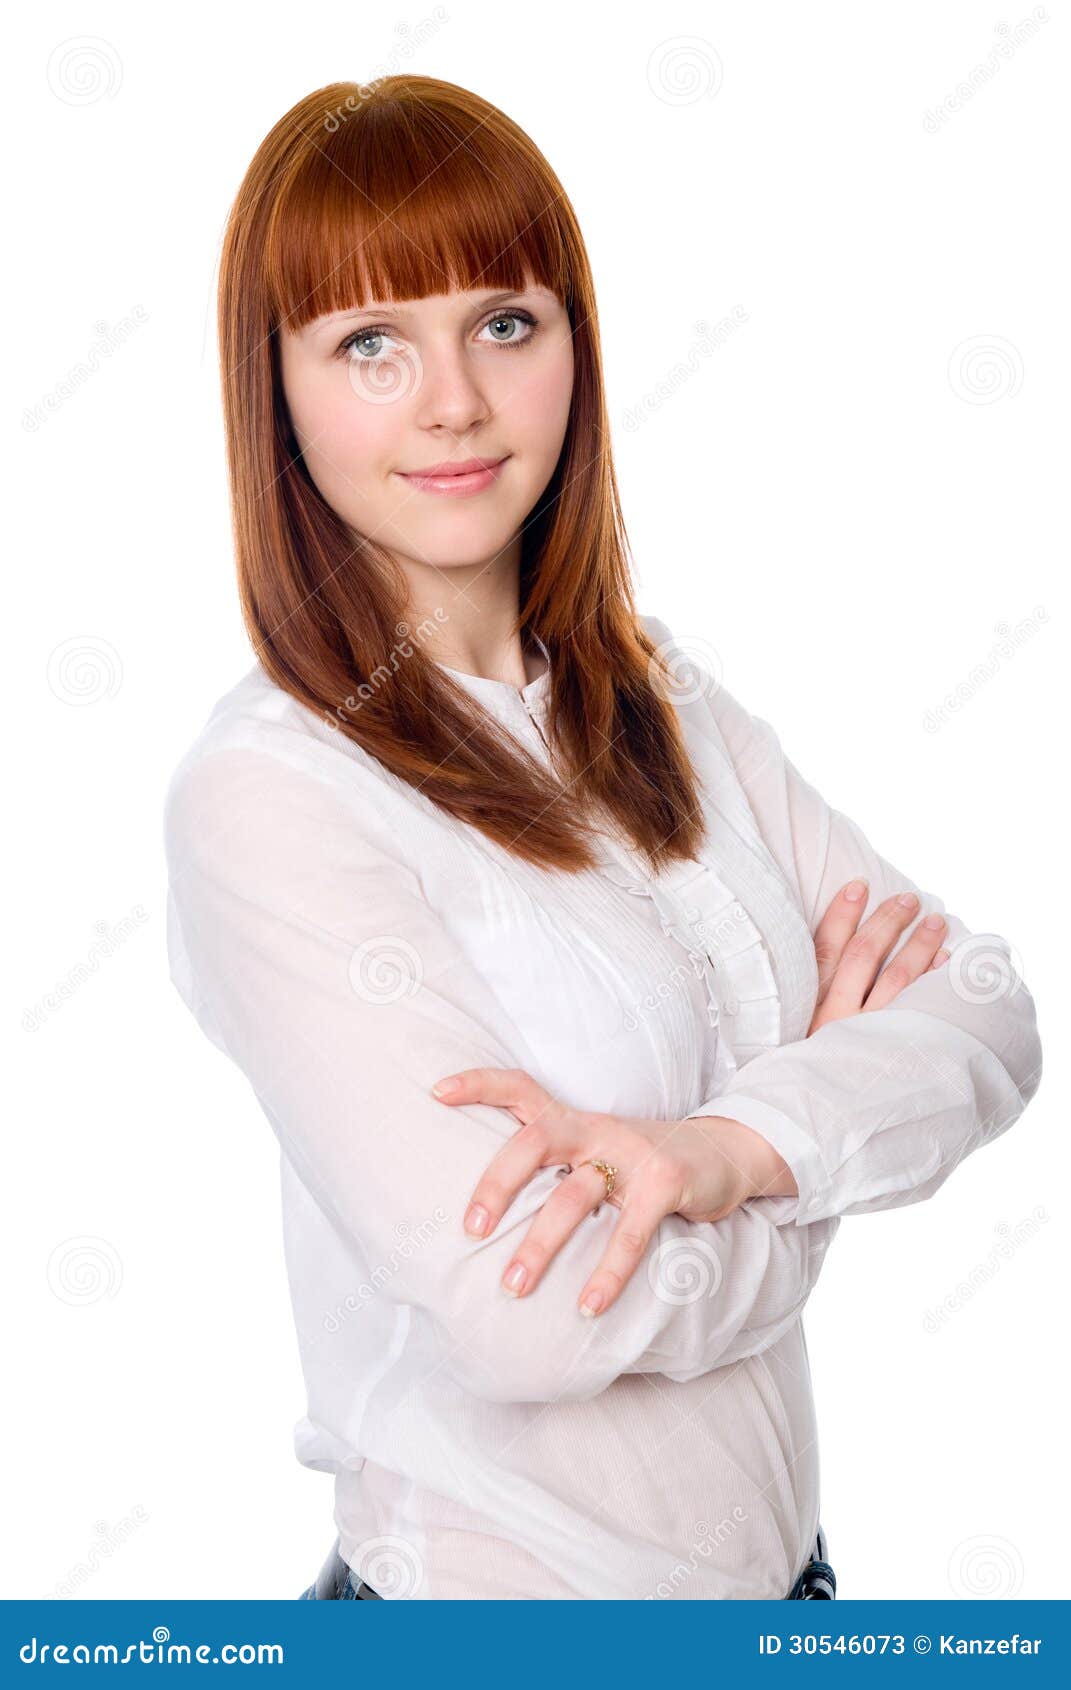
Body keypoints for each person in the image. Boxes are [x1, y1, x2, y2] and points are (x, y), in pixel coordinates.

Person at [163, 75, 1043, 1601]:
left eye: (504, 321)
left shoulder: (659, 695)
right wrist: (819, 1166)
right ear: (275, 391)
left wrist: (718, 1151)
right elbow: (535, 1314)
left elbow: (987, 1009)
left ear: (574, 341)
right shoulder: (272, 796)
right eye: (370, 343)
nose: (453, 399)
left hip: (790, 1602)